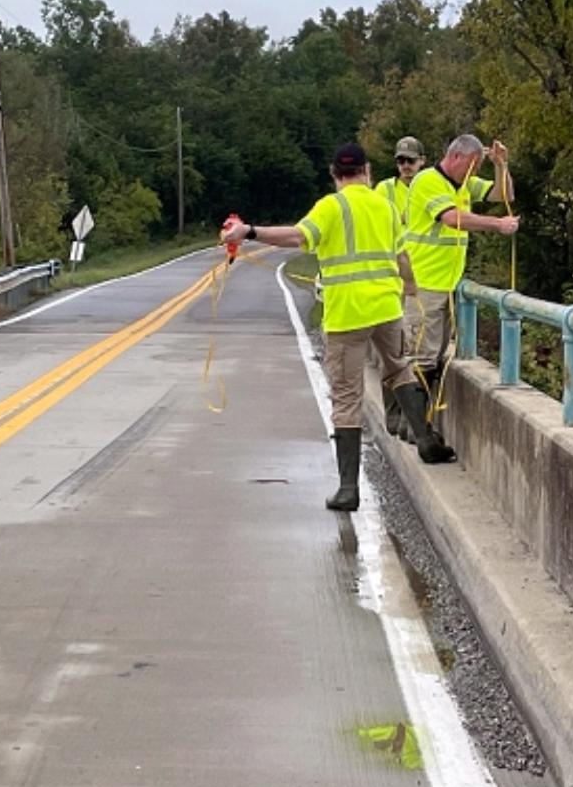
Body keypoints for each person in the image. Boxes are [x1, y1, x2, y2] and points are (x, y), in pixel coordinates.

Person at [222, 142, 456, 513]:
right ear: (366, 171)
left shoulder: (330, 207)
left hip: (347, 315)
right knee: (401, 370)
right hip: (386, 308)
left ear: (334, 175)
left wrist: (248, 232)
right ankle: (426, 440)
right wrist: (411, 292)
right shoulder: (386, 205)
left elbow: (297, 238)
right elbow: (403, 257)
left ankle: (349, 489)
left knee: (347, 398)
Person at [401, 135, 518, 443]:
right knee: (422, 358)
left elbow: (502, 193)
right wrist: (497, 226)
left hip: (447, 284)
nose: (473, 171)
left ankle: (415, 425)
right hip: (424, 284)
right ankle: (417, 428)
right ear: (455, 157)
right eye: (471, 164)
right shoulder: (428, 181)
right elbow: (452, 219)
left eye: (478, 166)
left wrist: (501, 165)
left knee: (437, 356)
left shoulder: (463, 183)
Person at [375, 136, 425, 437]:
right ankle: (394, 413)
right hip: (395, 282)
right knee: (395, 352)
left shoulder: (430, 188)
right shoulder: (385, 190)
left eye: (411, 160)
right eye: (400, 161)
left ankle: (410, 418)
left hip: (424, 281)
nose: (405, 166)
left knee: (418, 353)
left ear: (422, 160)